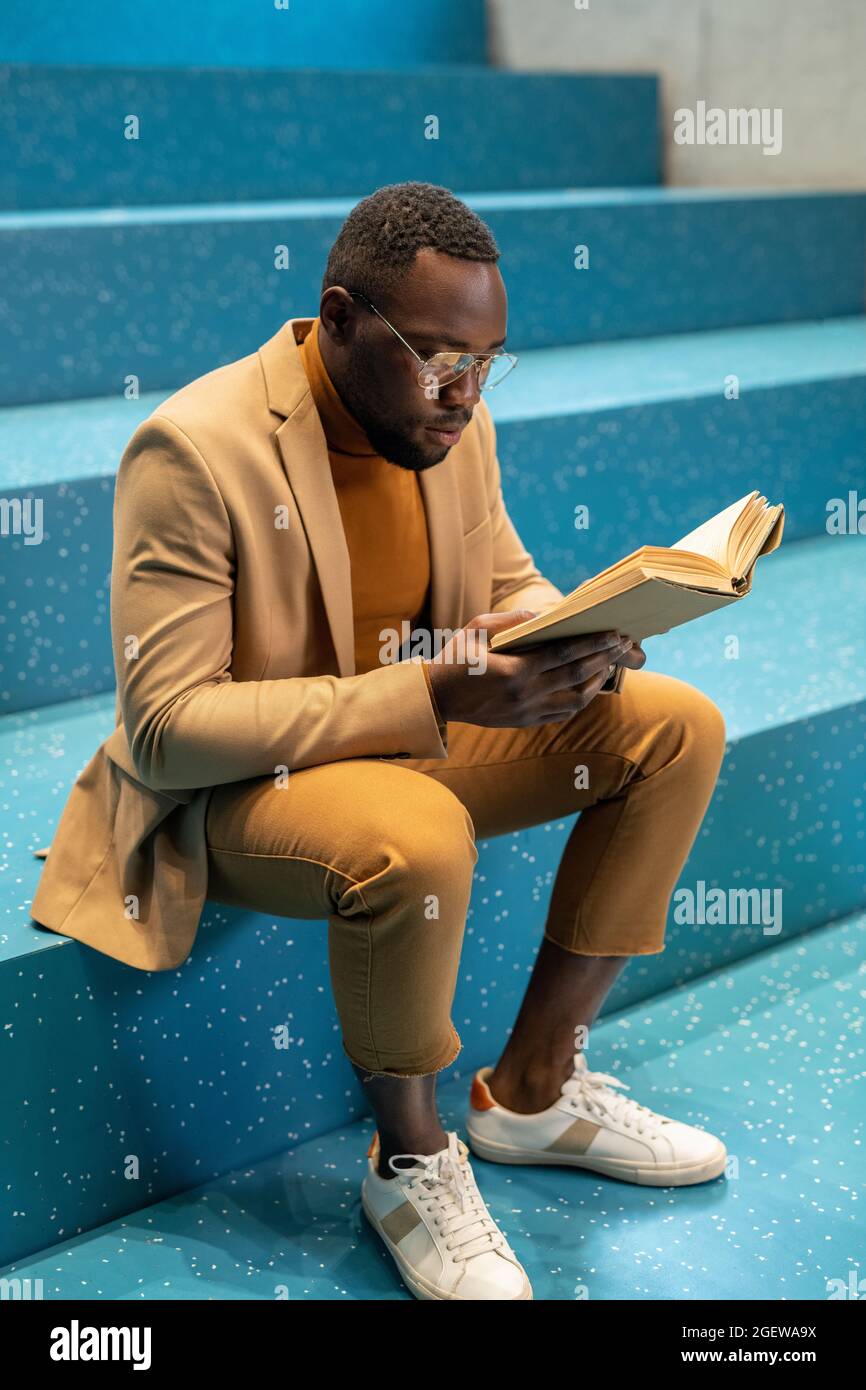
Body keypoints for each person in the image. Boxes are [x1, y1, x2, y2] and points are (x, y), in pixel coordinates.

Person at [31, 182, 727, 1301]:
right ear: (341, 317)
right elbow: (163, 729)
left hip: (405, 729)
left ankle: (535, 1091)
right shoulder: (195, 450)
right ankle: (409, 1161)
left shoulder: (451, 420)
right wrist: (436, 690)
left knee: (673, 727)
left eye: (489, 359)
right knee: (417, 832)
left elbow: (505, 582)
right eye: (438, 355)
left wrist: (570, 637)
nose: (465, 390)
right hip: (233, 784)